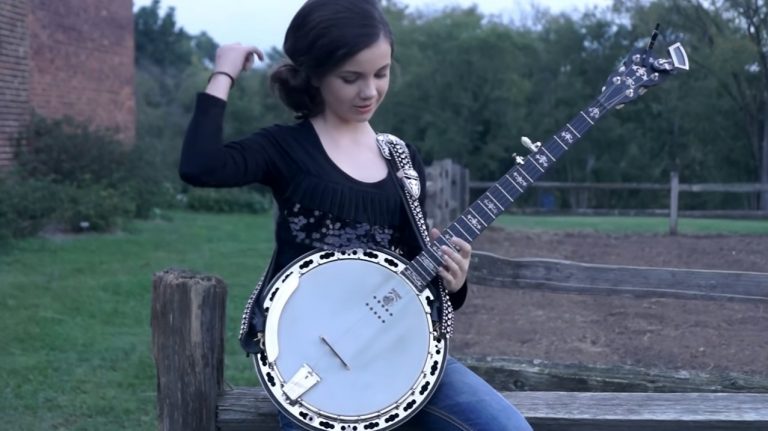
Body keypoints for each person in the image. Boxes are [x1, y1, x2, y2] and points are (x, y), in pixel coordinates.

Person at [179, 1, 532, 430]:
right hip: (312, 368)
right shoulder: (285, 149)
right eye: (351, 78)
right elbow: (200, 166)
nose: (369, 92)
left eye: (381, 74)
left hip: (398, 355)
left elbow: (412, 275)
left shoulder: (401, 158)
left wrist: (455, 283)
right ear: (315, 76)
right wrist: (224, 72)